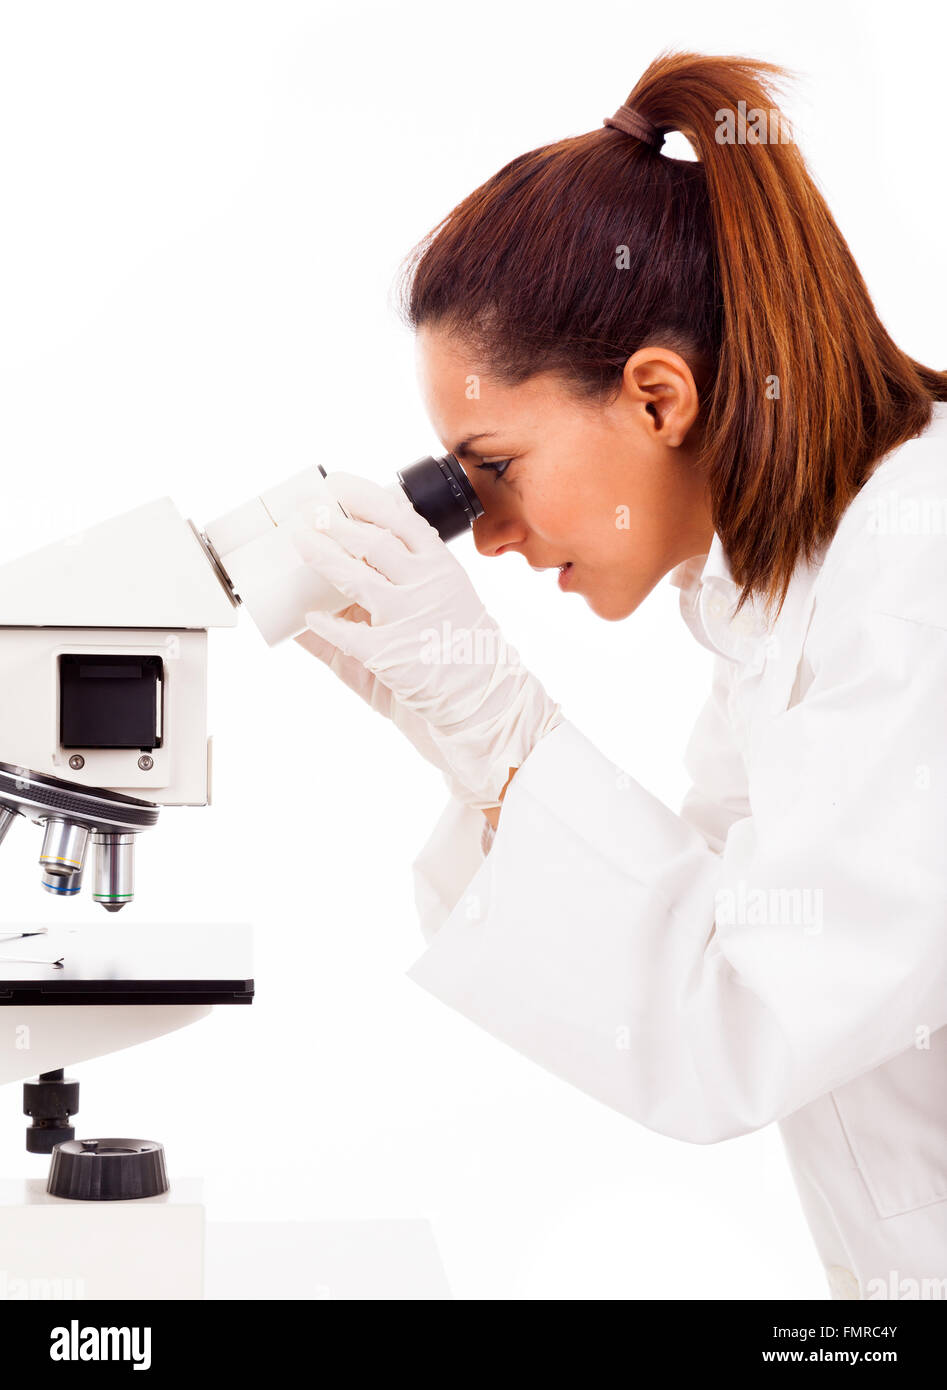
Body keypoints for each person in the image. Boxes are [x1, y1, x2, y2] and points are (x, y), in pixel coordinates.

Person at [292, 51, 947, 1300]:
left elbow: (739, 1022)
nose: (482, 530)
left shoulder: (912, 583)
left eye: (490, 465)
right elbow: (705, 924)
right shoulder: (776, 592)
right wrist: (469, 744)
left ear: (657, 396)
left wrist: (502, 720)